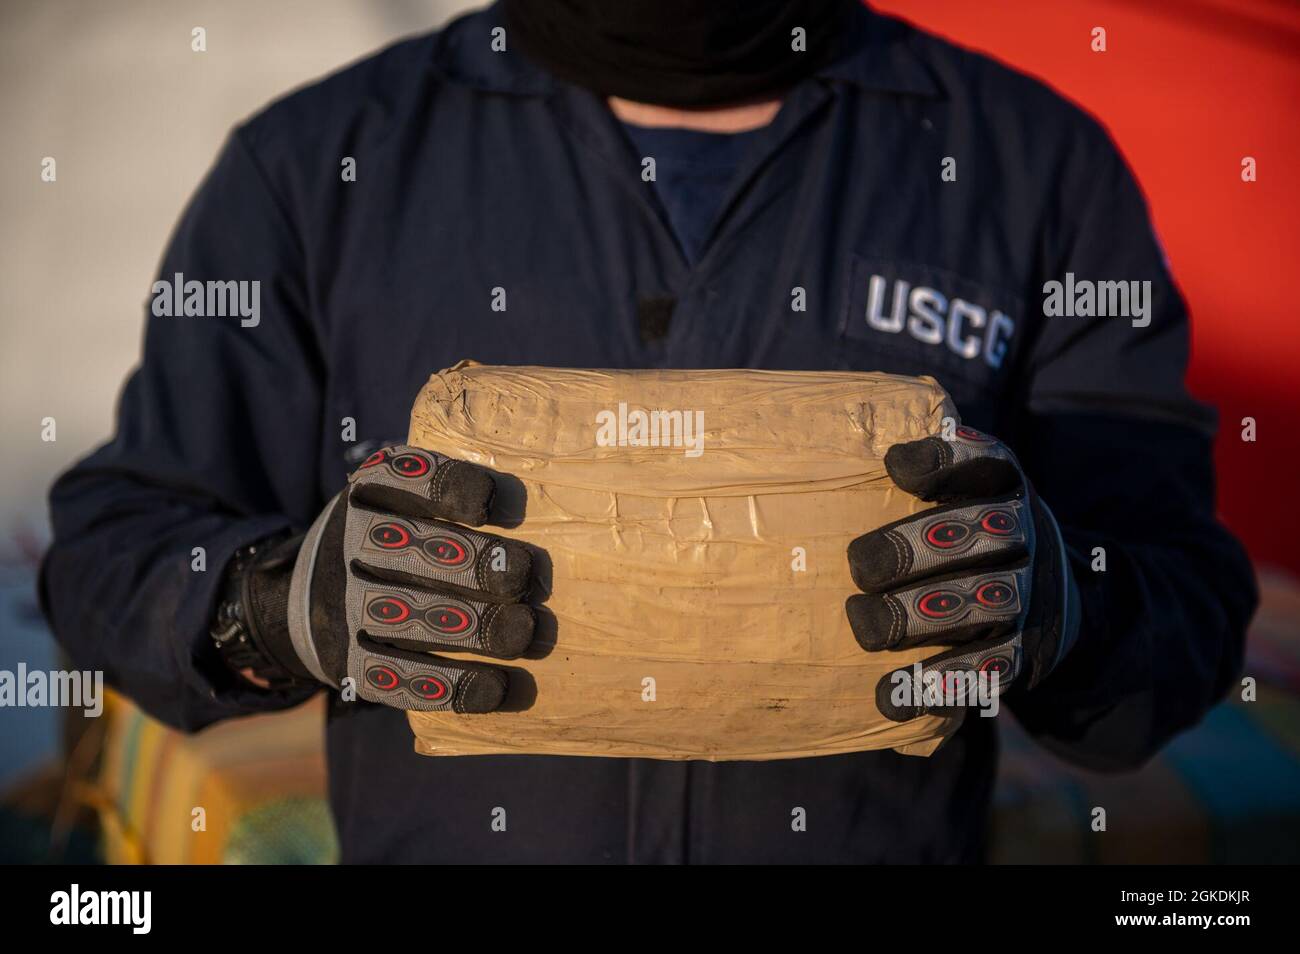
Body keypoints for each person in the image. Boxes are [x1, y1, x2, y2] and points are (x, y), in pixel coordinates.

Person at [41, 0, 1255, 862]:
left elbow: (1185, 600)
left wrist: (1066, 605)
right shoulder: (322, 160)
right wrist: (273, 603)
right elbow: (111, 550)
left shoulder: (1029, 167)